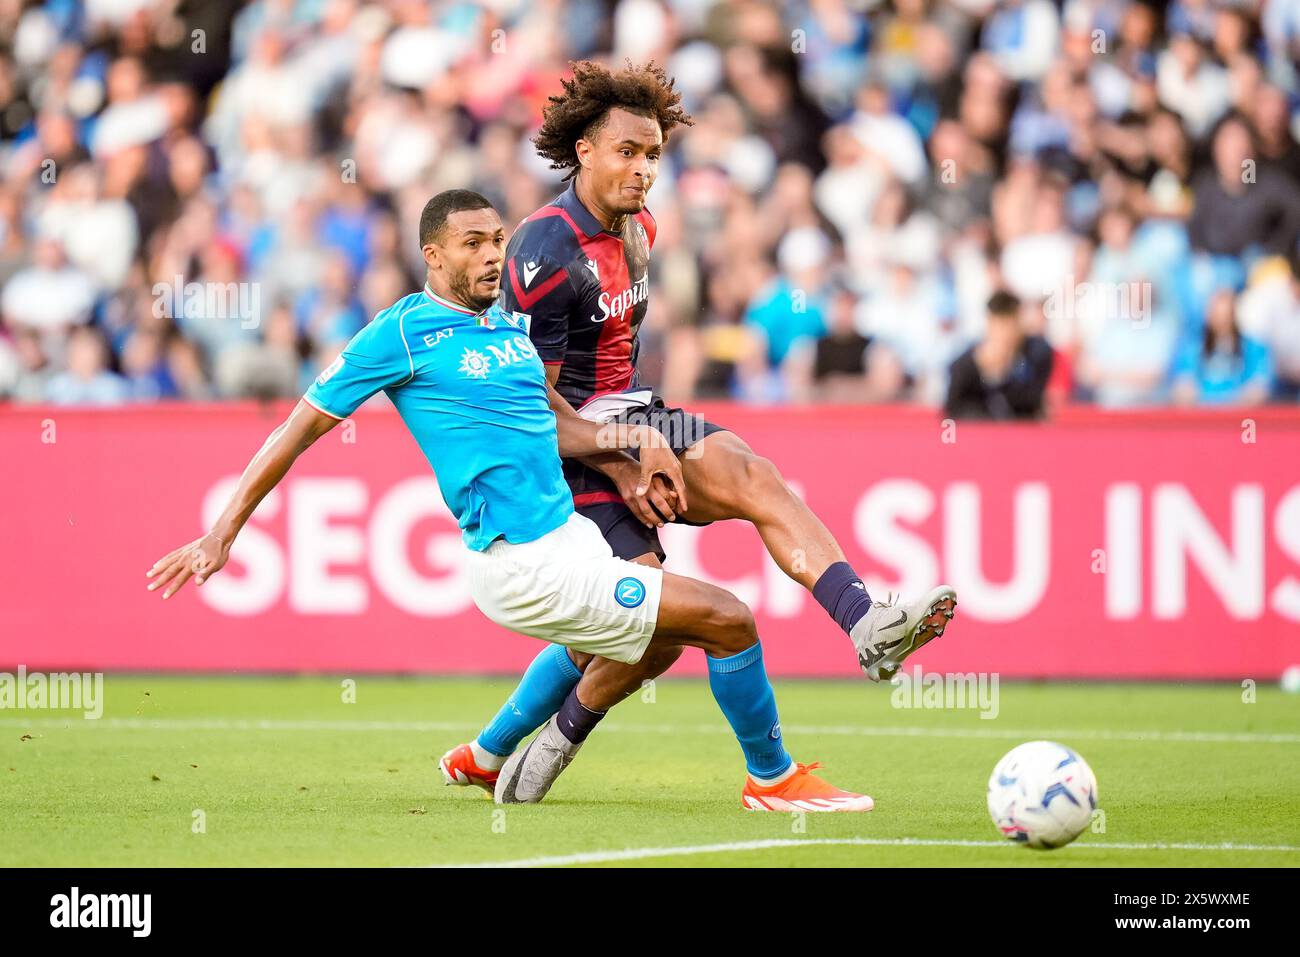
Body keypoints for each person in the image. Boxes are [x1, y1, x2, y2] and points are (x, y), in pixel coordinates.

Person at [146, 189, 920, 812]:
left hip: (570, 539)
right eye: (474, 243)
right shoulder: (404, 334)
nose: (492, 254)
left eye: (498, 240)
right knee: (727, 617)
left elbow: (566, 430)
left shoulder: (509, 335)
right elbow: (296, 429)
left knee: (649, 644)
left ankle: (485, 755)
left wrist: (634, 448)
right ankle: (773, 779)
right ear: (434, 255)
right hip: (520, 562)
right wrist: (223, 532)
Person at [440, 62, 957, 804]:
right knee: (649, 633)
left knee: (756, 474)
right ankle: (517, 744)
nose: (643, 169)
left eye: (653, 154)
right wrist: (620, 457)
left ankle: (865, 621)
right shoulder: (541, 253)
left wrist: (642, 433)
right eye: (627, 152)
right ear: (584, 150)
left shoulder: (641, 225)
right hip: (572, 443)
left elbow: (620, 362)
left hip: (636, 412)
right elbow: (530, 406)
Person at [944, 290, 1054, 419]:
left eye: (1009, 324)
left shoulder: (1037, 352)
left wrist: (1003, 373)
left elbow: (1031, 402)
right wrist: (984, 370)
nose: (1003, 333)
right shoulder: (970, 360)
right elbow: (953, 406)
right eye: (998, 325)